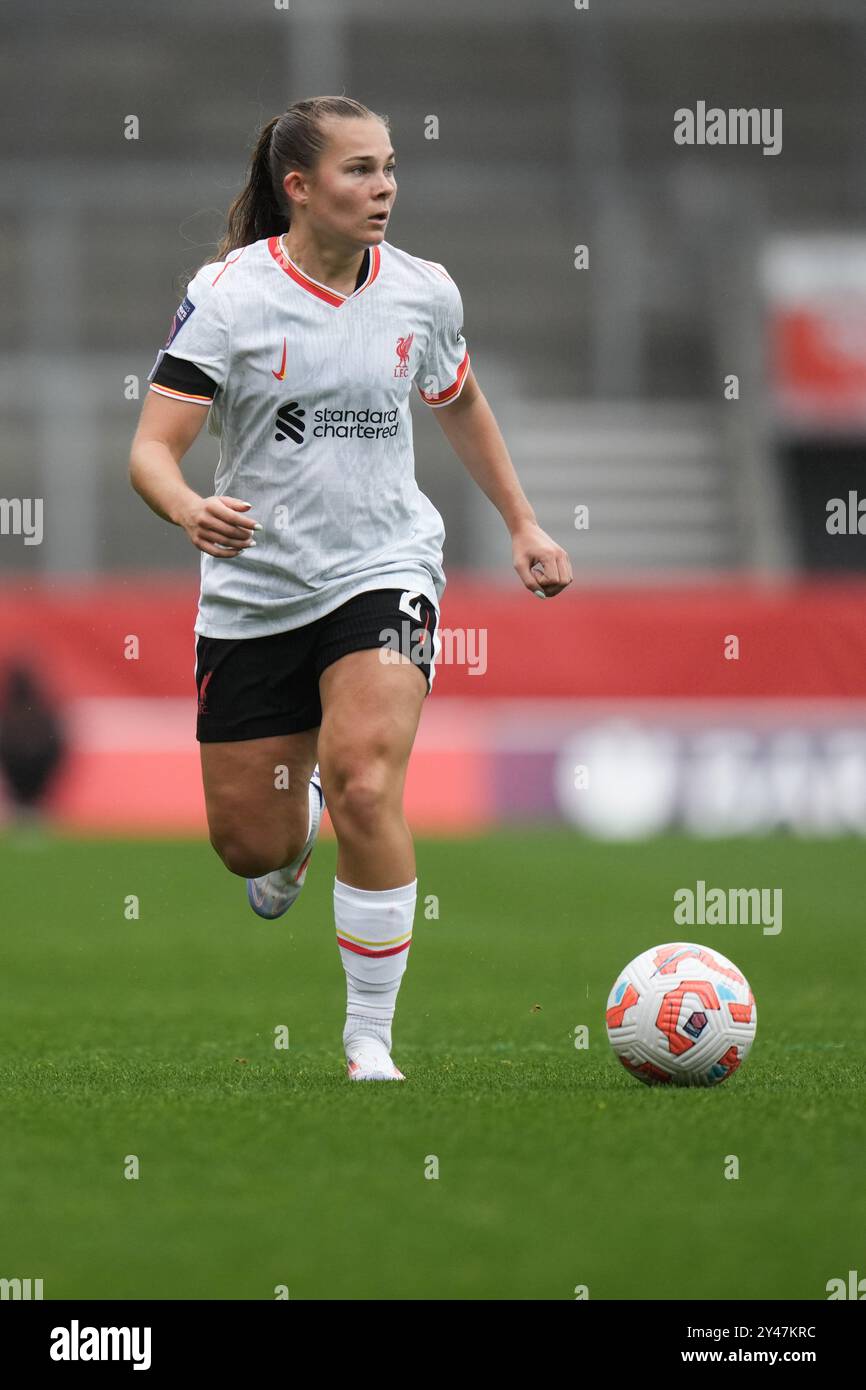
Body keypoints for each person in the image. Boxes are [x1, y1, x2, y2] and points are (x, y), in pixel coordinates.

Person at [129, 95, 572, 1082]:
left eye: (389, 168)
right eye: (359, 171)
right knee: (248, 845)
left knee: (368, 779)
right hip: (255, 592)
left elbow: (456, 399)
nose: (383, 189)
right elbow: (152, 451)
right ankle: (293, 840)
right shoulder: (231, 296)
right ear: (299, 187)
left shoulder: (423, 292)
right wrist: (187, 507)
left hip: (384, 566)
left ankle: (367, 1038)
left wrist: (521, 521)